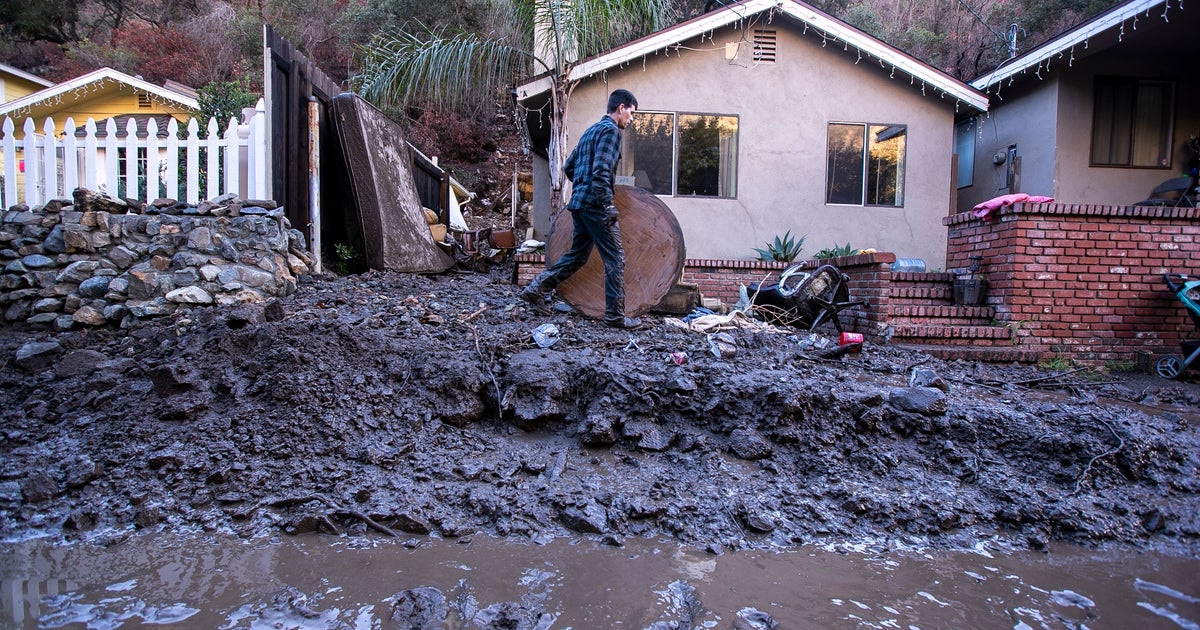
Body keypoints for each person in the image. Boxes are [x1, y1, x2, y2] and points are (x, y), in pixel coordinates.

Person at [521, 89, 643, 329]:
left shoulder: (590, 131)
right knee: (615, 258)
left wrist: (583, 187)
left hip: (579, 204)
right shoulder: (610, 132)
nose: (631, 118)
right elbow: (601, 171)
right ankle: (616, 316)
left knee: (577, 256)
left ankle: (536, 288)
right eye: (632, 112)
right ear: (621, 108)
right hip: (596, 206)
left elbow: (569, 167)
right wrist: (606, 203)